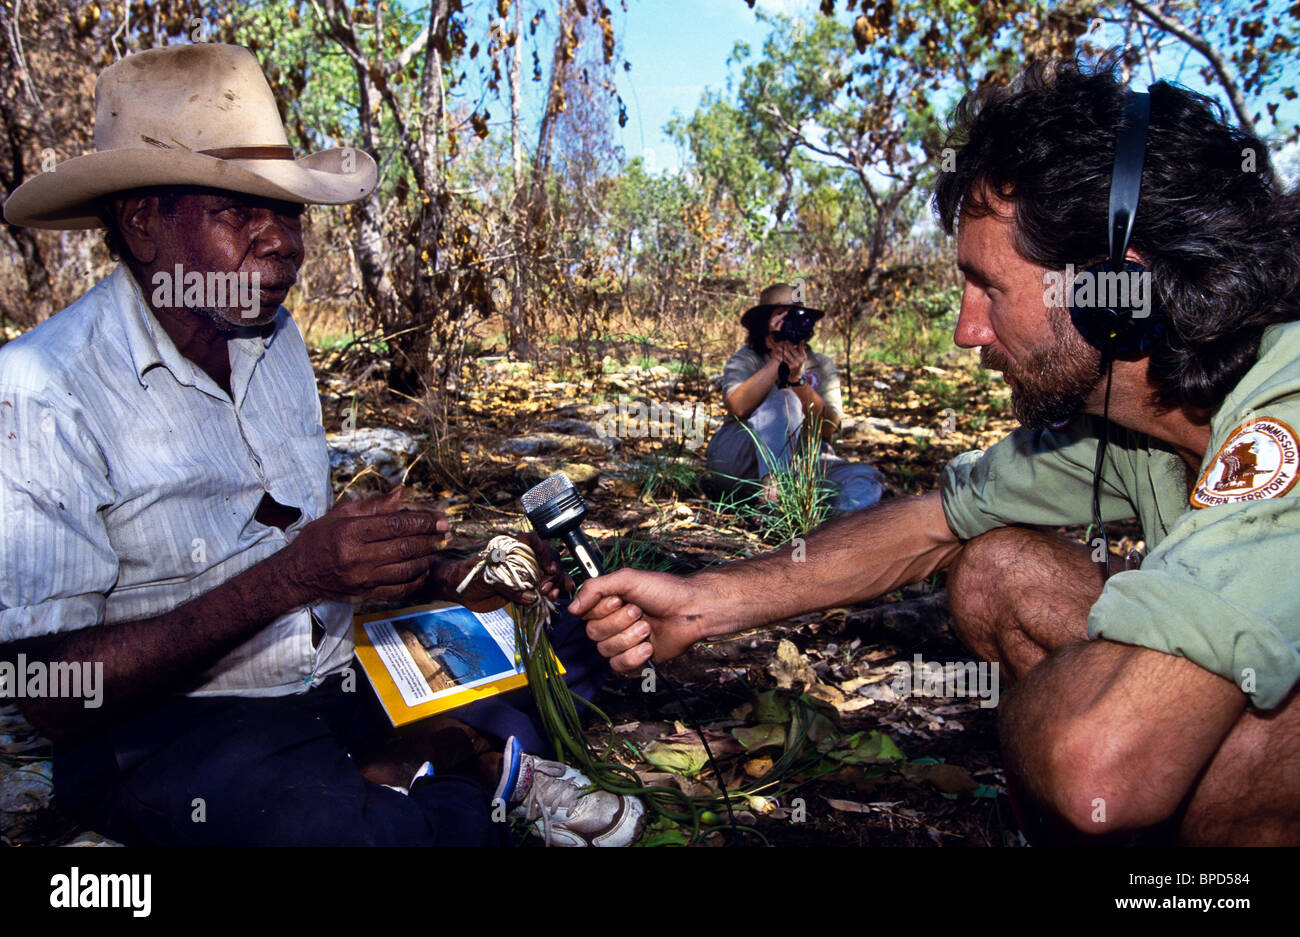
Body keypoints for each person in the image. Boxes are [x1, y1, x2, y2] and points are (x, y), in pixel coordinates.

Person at [571, 60, 1300, 845]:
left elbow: (1099, 767)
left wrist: (1029, 717)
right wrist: (699, 601)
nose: (967, 331)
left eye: (989, 288)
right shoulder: (1134, 421)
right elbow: (930, 523)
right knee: (995, 571)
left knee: (1219, 746)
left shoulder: (1280, 414)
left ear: (1116, 295)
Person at [0, 43, 641, 847]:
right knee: (348, 830)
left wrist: (444, 572)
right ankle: (453, 772)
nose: (284, 243)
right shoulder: (40, 389)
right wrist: (294, 577)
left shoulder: (272, 339)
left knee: (575, 650)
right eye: (238, 210)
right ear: (143, 222)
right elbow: (52, 695)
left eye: (290, 211)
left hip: (329, 676)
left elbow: (286, 543)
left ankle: (414, 763)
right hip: (170, 730)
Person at [705, 283, 885, 512]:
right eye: (782, 315)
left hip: (802, 464)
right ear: (764, 322)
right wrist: (776, 362)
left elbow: (829, 428)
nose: (790, 322)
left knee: (866, 479)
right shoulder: (746, 359)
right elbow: (738, 406)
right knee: (785, 401)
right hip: (741, 462)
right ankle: (773, 498)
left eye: (798, 315)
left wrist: (798, 380)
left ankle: (831, 525)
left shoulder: (821, 364)